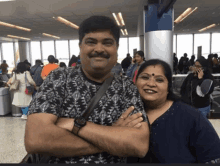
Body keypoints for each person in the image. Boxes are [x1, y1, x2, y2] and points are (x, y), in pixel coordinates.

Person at [25, 15, 150, 164]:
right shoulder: (59, 78)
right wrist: (113, 136)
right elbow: (36, 139)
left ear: (116, 48)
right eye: (91, 42)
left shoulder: (127, 87)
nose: (99, 49)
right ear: (80, 46)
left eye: (107, 42)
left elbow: (139, 145)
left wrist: (75, 125)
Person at [127, 59, 220, 163]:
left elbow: (213, 158)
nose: (151, 83)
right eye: (145, 77)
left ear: (168, 86)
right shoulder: (125, 113)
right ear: (135, 81)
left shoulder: (191, 117)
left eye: (159, 80)